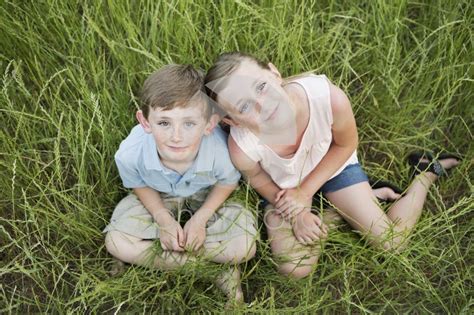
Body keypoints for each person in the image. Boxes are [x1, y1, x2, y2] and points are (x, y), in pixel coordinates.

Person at [204, 52, 460, 279]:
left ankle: (423, 175)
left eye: (260, 86)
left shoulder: (326, 98)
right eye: (244, 106)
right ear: (232, 121)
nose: (263, 104)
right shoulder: (242, 147)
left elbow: (345, 145)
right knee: (294, 268)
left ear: (274, 73)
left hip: (332, 168)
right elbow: (257, 179)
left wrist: (304, 194)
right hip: (283, 188)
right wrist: (298, 211)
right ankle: (335, 211)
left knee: (392, 243)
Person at [103, 64, 257, 301]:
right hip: (158, 195)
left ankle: (155, 258)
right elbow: (140, 186)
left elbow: (227, 184)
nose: (176, 136)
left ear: (209, 124)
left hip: (207, 196)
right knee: (115, 242)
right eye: (164, 123)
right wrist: (163, 219)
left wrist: (201, 218)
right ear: (145, 122)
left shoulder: (221, 151)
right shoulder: (129, 154)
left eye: (189, 123)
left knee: (245, 247)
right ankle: (214, 271)